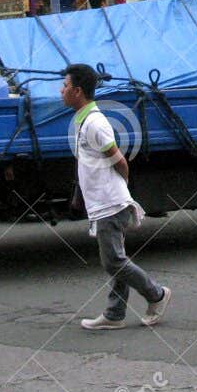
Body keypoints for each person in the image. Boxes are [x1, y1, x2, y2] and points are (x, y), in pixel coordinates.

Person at [62, 63, 170, 330]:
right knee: (116, 258)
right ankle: (114, 314)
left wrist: (118, 189)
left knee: (113, 260)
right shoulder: (83, 119)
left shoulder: (95, 124)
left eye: (65, 86)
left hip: (109, 203)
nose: (60, 91)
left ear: (77, 91)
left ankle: (156, 294)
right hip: (103, 202)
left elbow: (120, 161)